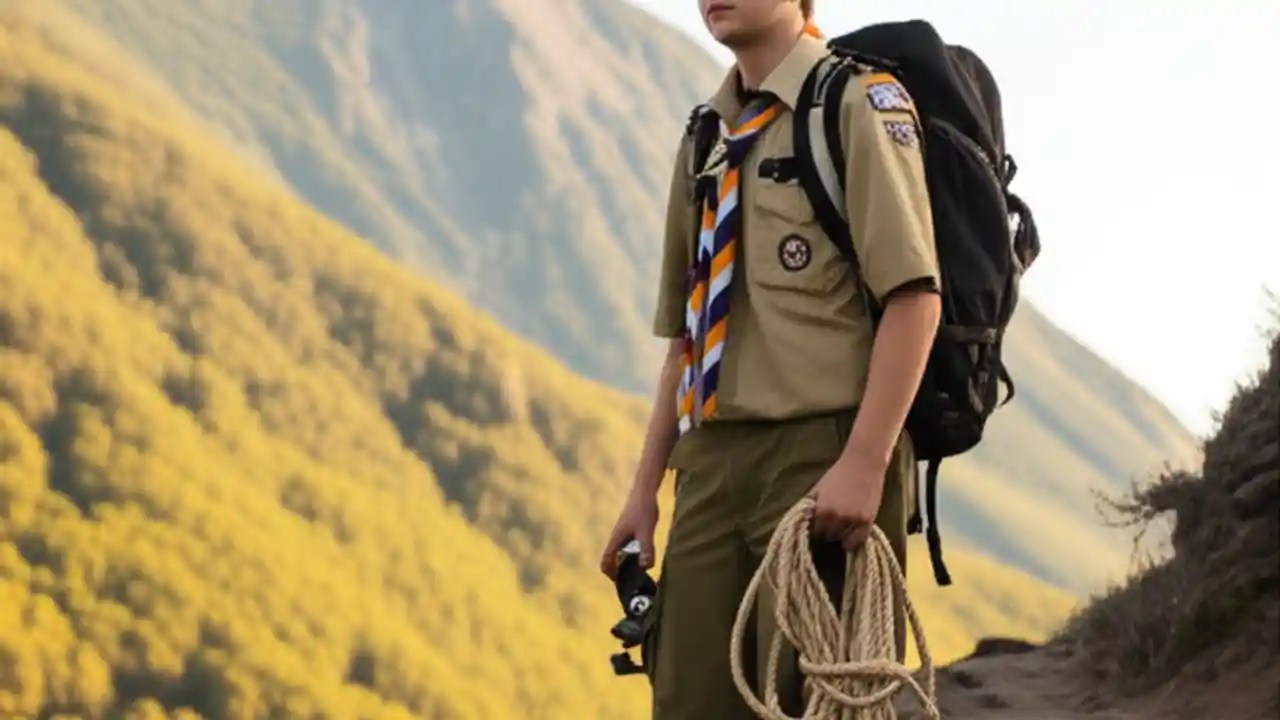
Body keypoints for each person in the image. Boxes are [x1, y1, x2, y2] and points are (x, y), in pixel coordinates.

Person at [599, 0, 941, 716]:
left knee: (819, 699)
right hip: (711, 465)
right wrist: (643, 495)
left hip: (823, 455)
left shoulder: (854, 104)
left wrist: (865, 462)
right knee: (688, 695)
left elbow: (915, 299)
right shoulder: (706, 137)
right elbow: (685, 342)